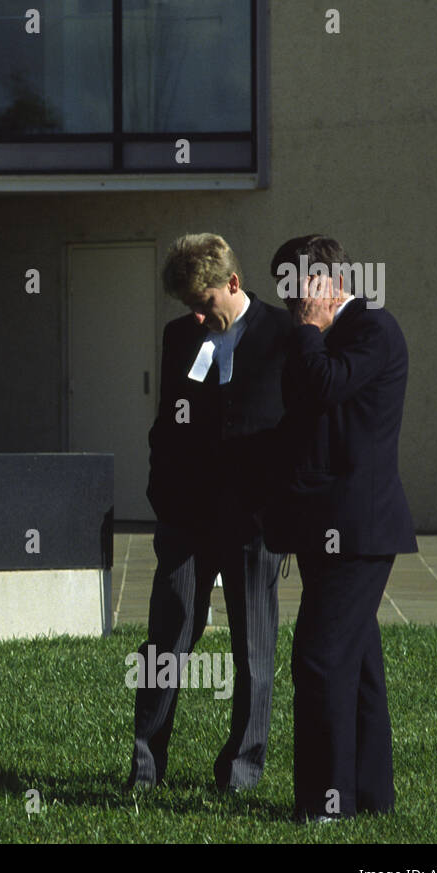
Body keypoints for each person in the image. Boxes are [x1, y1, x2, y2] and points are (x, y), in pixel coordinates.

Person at [128, 233, 291, 792]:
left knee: (253, 650)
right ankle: (146, 770)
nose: (198, 316)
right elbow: (164, 426)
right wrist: (161, 493)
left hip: (253, 523)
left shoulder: (282, 337)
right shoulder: (181, 338)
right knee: (166, 644)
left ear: (233, 284)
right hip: (185, 520)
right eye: (188, 307)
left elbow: (295, 432)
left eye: (205, 304)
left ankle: (241, 775)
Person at [264, 234, 417, 822]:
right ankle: (371, 797)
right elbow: (301, 419)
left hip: (360, 528)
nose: (290, 309)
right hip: (322, 524)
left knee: (321, 659)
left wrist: (307, 330)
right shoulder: (317, 339)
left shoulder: (372, 329)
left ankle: (327, 806)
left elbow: (324, 387)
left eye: (293, 293)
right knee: (356, 666)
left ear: (323, 285)